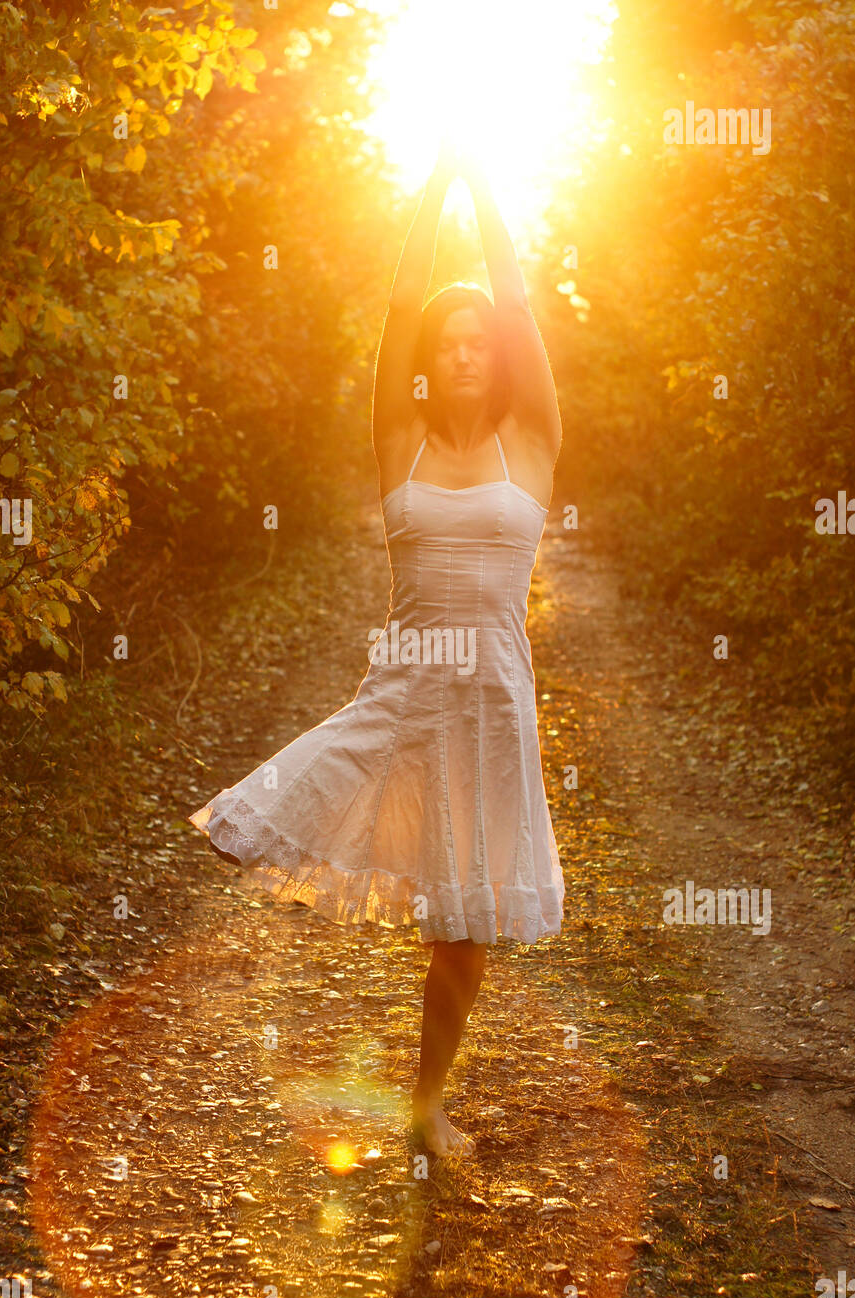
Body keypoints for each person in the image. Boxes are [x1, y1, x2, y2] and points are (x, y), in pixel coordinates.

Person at [190, 143, 565, 1159]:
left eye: (478, 341)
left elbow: (523, 316)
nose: (464, 352)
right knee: (306, 793)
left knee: (466, 924)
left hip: (491, 699)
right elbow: (397, 312)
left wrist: (487, 191)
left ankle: (425, 1104)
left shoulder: (526, 444)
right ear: (427, 360)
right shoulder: (394, 442)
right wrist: (433, 188)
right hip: (402, 688)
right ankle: (251, 830)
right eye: (449, 342)